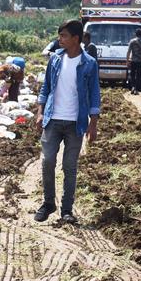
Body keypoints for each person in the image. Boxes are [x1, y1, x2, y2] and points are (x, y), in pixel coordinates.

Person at [34, 19, 100, 225]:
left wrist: (93, 123)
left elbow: (94, 93)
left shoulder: (89, 63)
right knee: (47, 161)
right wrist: (39, 112)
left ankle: (67, 210)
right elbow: (46, 87)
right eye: (59, 35)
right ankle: (48, 203)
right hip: (53, 119)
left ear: (75, 39)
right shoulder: (54, 60)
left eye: (63, 36)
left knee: (70, 167)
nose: (59, 39)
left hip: (75, 122)